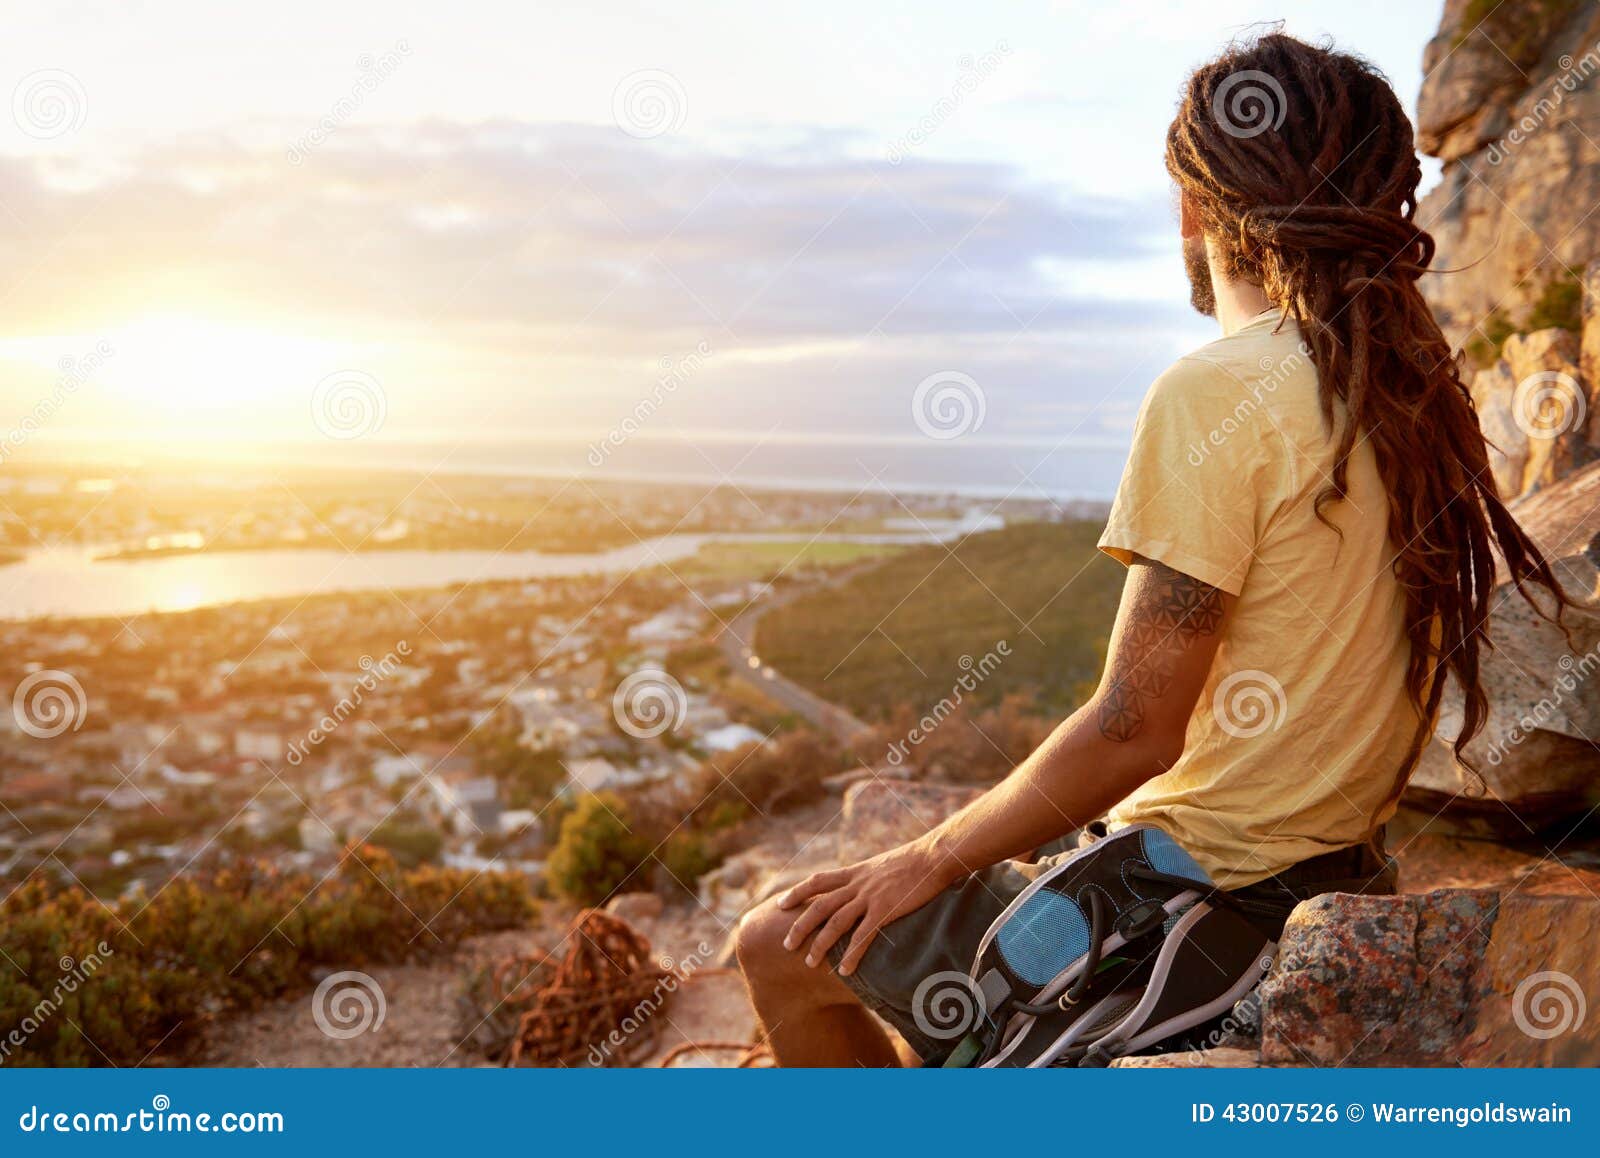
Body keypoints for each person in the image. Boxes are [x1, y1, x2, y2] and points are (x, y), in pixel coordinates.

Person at [733, 30, 1573, 1067]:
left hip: (1185, 885)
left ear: (1191, 206)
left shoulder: (1218, 389)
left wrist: (927, 858)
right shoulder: (1410, 393)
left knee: (777, 942)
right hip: (1331, 873)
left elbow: (1136, 729)